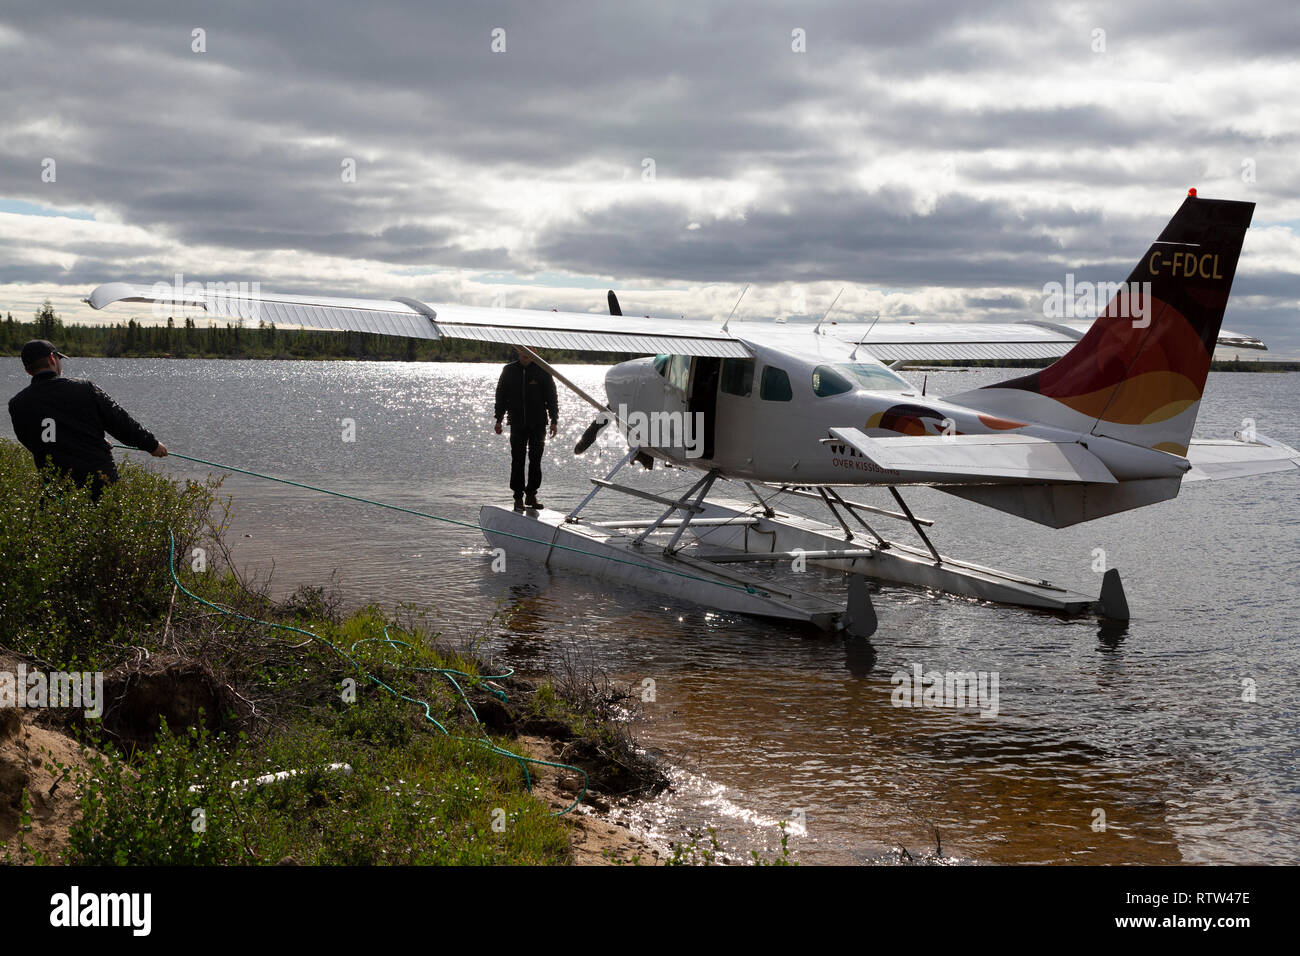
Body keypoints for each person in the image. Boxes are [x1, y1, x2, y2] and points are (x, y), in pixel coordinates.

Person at [8, 339, 168, 500]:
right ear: (51, 359)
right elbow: (121, 422)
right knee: (108, 523)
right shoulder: (85, 388)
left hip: (55, 489)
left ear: (28, 370)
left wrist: (90, 438)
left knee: (58, 524)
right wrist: (152, 445)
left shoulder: (18, 404)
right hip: (99, 484)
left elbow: (32, 442)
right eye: (58, 359)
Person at [493, 345, 558, 510]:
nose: (525, 355)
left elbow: (551, 397)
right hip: (516, 423)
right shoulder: (509, 370)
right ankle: (517, 497)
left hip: (538, 424)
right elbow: (501, 396)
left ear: (534, 352)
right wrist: (498, 419)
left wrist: (554, 420)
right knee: (518, 461)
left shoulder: (543, 370)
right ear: (518, 352)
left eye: (529, 352)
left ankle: (531, 494)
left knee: (535, 460)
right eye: (523, 352)